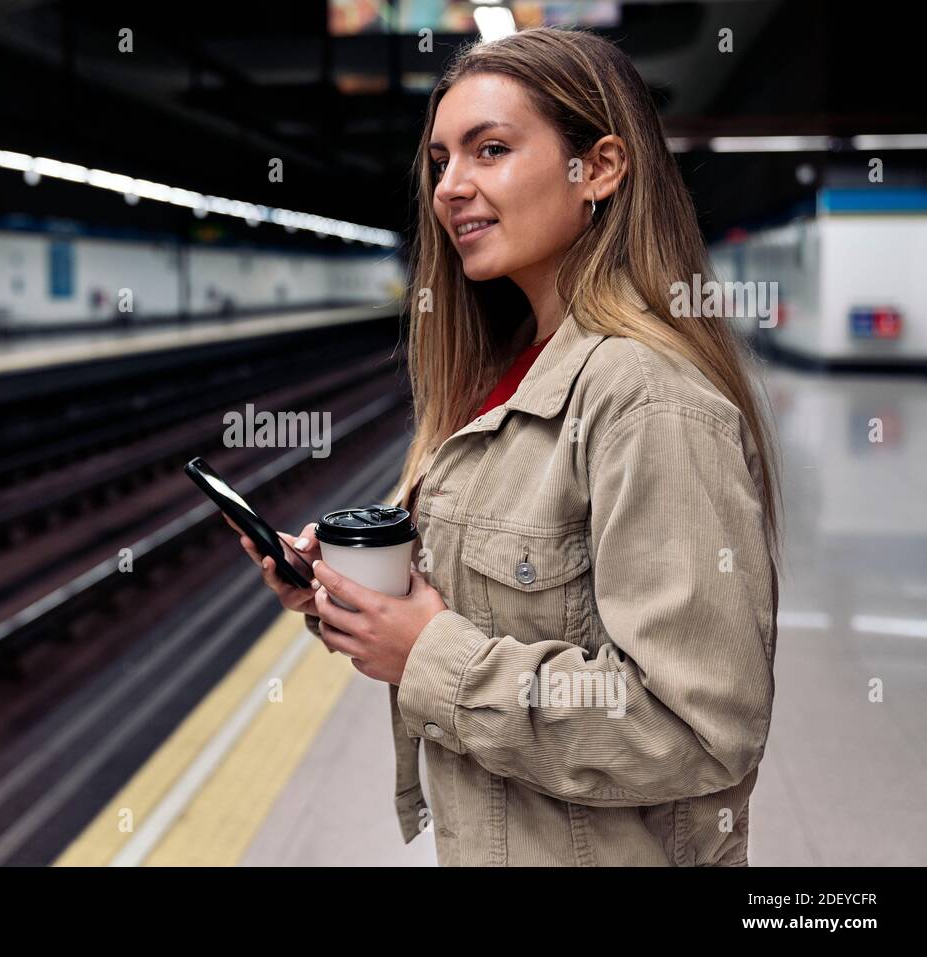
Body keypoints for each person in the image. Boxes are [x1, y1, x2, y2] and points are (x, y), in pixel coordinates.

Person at [232, 25, 782, 867]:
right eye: (442, 161)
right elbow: (488, 617)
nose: (452, 186)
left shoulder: (648, 399)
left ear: (597, 167)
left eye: (490, 149)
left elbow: (699, 728)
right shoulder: (500, 372)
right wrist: (355, 600)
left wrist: (430, 654)